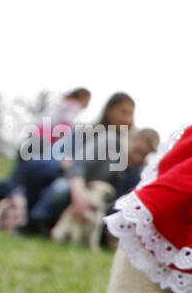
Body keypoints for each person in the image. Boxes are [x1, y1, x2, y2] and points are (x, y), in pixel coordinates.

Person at [26, 92, 136, 234]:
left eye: (130, 114)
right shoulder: (91, 133)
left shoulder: (126, 143)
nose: (127, 119)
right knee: (60, 188)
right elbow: (72, 161)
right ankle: (39, 222)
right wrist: (78, 188)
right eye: (123, 112)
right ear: (109, 110)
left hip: (103, 192)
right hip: (74, 180)